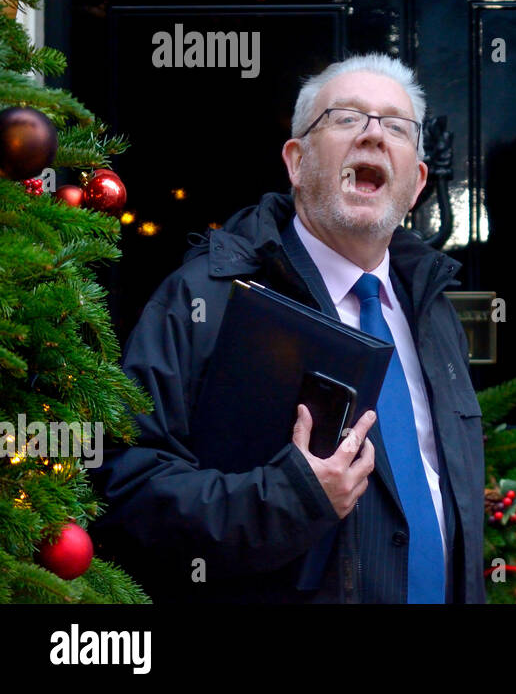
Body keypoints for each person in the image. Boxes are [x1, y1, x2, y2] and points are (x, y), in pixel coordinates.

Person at [92, 53, 486, 603]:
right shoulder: (207, 297)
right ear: (297, 161)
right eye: (347, 118)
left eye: (396, 127)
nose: (373, 136)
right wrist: (291, 498)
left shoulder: (433, 308)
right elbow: (127, 485)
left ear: (417, 181)